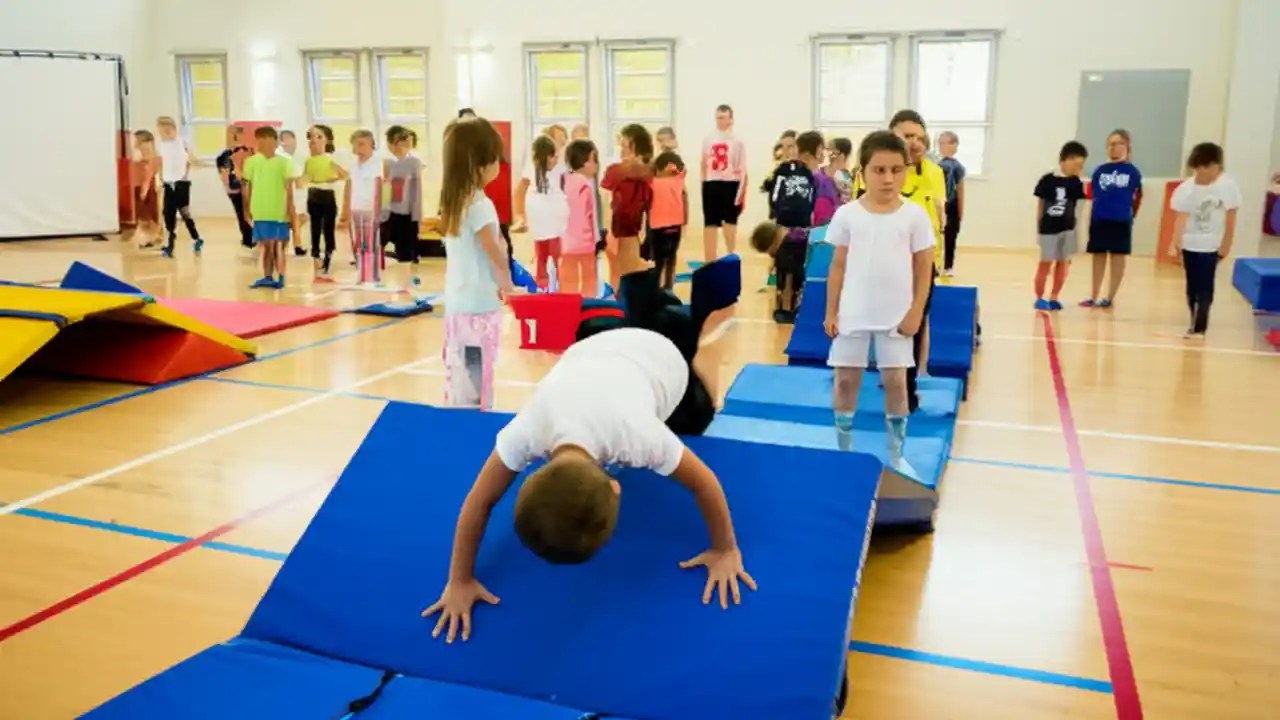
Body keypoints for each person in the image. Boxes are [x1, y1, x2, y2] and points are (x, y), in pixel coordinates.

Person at [422, 323, 754, 644]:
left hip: (663, 361)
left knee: (699, 417)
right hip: (591, 354)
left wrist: (725, 548)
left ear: (616, 485)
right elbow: (480, 502)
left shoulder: (639, 436)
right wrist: (459, 579)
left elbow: (705, 483)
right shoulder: (527, 430)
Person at [823, 131, 934, 459]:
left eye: (896, 170)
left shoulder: (914, 216)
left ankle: (896, 453)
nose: (888, 178)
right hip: (854, 311)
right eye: (879, 170)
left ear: (906, 170)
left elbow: (923, 268)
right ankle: (844, 448)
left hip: (895, 315)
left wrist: (916, 311)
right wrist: (831, 311)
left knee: (897, 382)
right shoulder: (848, 215)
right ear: (863, 171)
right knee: (845, 381)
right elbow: (838, 267)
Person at [438, 118, 516, 410]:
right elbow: (492, 248)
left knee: (462, 376)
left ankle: (463, 419)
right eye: (495, 159)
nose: (499, 166)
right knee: (475, 379)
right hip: (478, 307)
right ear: (479, 164)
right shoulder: (480, 203)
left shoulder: (456, 201)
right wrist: (507, 282)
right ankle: (470, 428)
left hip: (460, 304)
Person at [1170, 142, 1241, 338]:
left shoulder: (1227, 187)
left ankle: (1200, 326)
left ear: (1216, 166)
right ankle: (1193, 319)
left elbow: (1231, 217)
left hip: (1211, 245)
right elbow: (1181, 217)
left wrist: (1226, 244)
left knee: (1205, 284)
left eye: (1205, 167)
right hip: (1190, 243)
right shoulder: (1186, 188)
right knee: (1191, 285)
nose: (1201, 172)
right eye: (1197, 168)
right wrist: (1176, 243)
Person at [1082, 129, 1143, 308]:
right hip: (1100, 220)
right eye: (1111, 144)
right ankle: (1093, 295)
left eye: (1118, 143)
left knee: (1118, 258)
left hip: (1121, 221)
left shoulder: (1133, 172)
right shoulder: (1099, 171)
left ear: (1127, 146)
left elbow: (1138, 197)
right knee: (1098, 257)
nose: (1114, 147)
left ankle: (1109, 297)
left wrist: (1131, 216)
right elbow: (1093, 196)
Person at [1032, 142, 1089, 311]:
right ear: (1067, 160)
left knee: (1063, 263)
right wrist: (1039, 227)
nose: (1079, 168)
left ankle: (1055, 296)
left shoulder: (1076, 183)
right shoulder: (1047, 180)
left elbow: (1078, 207)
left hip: (1068, 229)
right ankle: (1040, 296)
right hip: (1049, 229)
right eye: (1077, 164)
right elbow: (1041, 205)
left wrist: (1076, 229)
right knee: (1045, 263)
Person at [602, 124, 655, 289]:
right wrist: (607, 231)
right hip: (617, 229)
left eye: (626, 146)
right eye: (622, 146)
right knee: (617, 272)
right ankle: (619, 307)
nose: (622, 150)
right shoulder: (615, 171)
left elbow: (650, 205)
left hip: (632, 231)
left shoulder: (648, 172)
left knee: (628, 274)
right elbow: (605, 200)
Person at [241, 126, 295, 289]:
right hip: (260, 211)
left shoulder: (284, 163)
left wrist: (290, 211)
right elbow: (246, 187)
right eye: (259, 140)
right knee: (265, 246)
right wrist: (246, 209)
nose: (262, 144)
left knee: (278, 245)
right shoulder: (250, 162)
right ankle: (267, 276)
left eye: (266, 140)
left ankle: (281, 276)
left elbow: (289, 189)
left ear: (274, 141)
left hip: (279, 211)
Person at [701, 105, 747, 261]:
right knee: (710, 222)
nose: (719, 121)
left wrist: (741, 189)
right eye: (717, 118)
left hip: (730, 183)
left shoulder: (738, 140)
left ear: (730, 119)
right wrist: (704, 182)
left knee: (730, 220)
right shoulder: (709, 139)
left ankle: (730, 254)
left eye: (722, 117)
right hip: (711, 182)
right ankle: (710, 258)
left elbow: (741, 166)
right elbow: (703, 161)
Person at [340, 129, 385, 286]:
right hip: (356, 208)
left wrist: (378, 212)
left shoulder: (377, 164)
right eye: (356, 144)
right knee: (359, 243)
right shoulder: (353, 165)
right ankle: (362, 273)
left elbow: (379, 189)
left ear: (371, 144)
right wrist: (345, 210)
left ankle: (372, 275)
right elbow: (349, 187)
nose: (358, 148)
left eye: (362, 144)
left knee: (371, 243)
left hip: (370, 209)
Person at [155, 116, 203, 258]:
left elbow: (191, 160)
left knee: (184, 213)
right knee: (168, 214)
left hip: (182, 183)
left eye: (167, 130)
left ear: (173, 129)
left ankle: (196, 238)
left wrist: (186, 174)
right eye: (161, 131)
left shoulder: (183, 142)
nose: (165, 133)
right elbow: (160, 164)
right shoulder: (161, 145)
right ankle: (170, 244)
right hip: (168, 183)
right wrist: (160, 179)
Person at [302, 125, 345, 282]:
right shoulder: (309, 161)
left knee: (328, 230)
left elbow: (345, 174)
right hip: (313, 195)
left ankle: (327, 263)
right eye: (312, 137)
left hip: (328, 196)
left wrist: (332, 178)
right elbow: (304, 178)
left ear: (327, 140)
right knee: (315, 229)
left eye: (319, 137)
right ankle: (316, 260)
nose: (314, 140)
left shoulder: (331, 159)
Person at [525, 135, 568, 288]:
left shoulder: (558, 170)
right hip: (541, 224)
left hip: (555, 225)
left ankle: (561, 284)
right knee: (541, 256)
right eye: (551, 156)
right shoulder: (532, 171)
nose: (555, 159)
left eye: (555, 156)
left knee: (557, 257)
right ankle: (542, 285)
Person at [560, 139, 601, 297]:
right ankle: (586, 314)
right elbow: (591, 217)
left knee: (567, 283)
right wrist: (597, 240)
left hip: (565, 244)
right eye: (595, 159)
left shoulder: (564, 180)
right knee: (588, 283)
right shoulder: (586, 185)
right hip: (585, 244)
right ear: (588, 160)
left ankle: (567, 314)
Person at [383, 125, 425, 265]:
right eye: (402, 141)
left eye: (409, 142)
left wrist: (417, 215)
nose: (406, 145)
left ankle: (410, 283)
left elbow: (416, 190)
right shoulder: (387, 162)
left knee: (406, 252)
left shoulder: (414, 162)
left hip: (406, 212)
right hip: (389, 211)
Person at [513, 125, 568, 233]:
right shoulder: (534, 163)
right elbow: (521, 188)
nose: (562, 143)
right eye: (559, 139)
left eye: (564, 140)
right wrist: (520, 216)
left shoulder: (564, 161)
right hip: (541, 218)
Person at [646, 151, 688, 289]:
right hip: (676, 225)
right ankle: (669, 287)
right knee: (671, 257)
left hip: (657, 226)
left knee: (658, 260)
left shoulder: (652, 182)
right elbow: (685, 200)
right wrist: (685, 220)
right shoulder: (679, 181)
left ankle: (656, 287)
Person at [216, 126, 254, 249]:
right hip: (237, 189)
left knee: (246, 213)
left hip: (246, 187)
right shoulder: (225, 156)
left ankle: (250, 238)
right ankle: (248, 239)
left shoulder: (248, 152)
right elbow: (226, 177)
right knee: (244, 213)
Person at [937, 132, 966, 276]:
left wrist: (960, 212)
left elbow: (960, 189)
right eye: (940, 143)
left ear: (954, 145)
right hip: (937, 204)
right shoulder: (935, 165)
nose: (942, 146)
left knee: (950, 236)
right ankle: (935, 264)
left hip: (951, 205)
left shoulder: (958, 167)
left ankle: (948, 266)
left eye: (945, 143)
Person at [279, 130, 309, 257]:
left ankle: (288, 243)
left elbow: (303, 173)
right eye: (284, 139)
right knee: (291, 217)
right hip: (283, 192)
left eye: (290, 139)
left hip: (298, 192)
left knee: (300, 218)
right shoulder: (280, 156)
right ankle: (296, 245)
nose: (287, 142)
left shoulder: (300, 156)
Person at [130, 130, 161, 249]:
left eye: (137, 141)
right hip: (137, 186)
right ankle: (150, 237)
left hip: (146, 187)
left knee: (148, 215)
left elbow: (149, 174)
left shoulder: (152, 158)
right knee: (142, 216)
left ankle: (153, 237)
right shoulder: (138, 156)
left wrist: (145, 188)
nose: (135, 144)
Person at [825, 137, 854, 206]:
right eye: (828, 150)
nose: (830, 154)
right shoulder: (824, 171)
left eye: (833, 151)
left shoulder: (844, 175)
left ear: (842, 154)